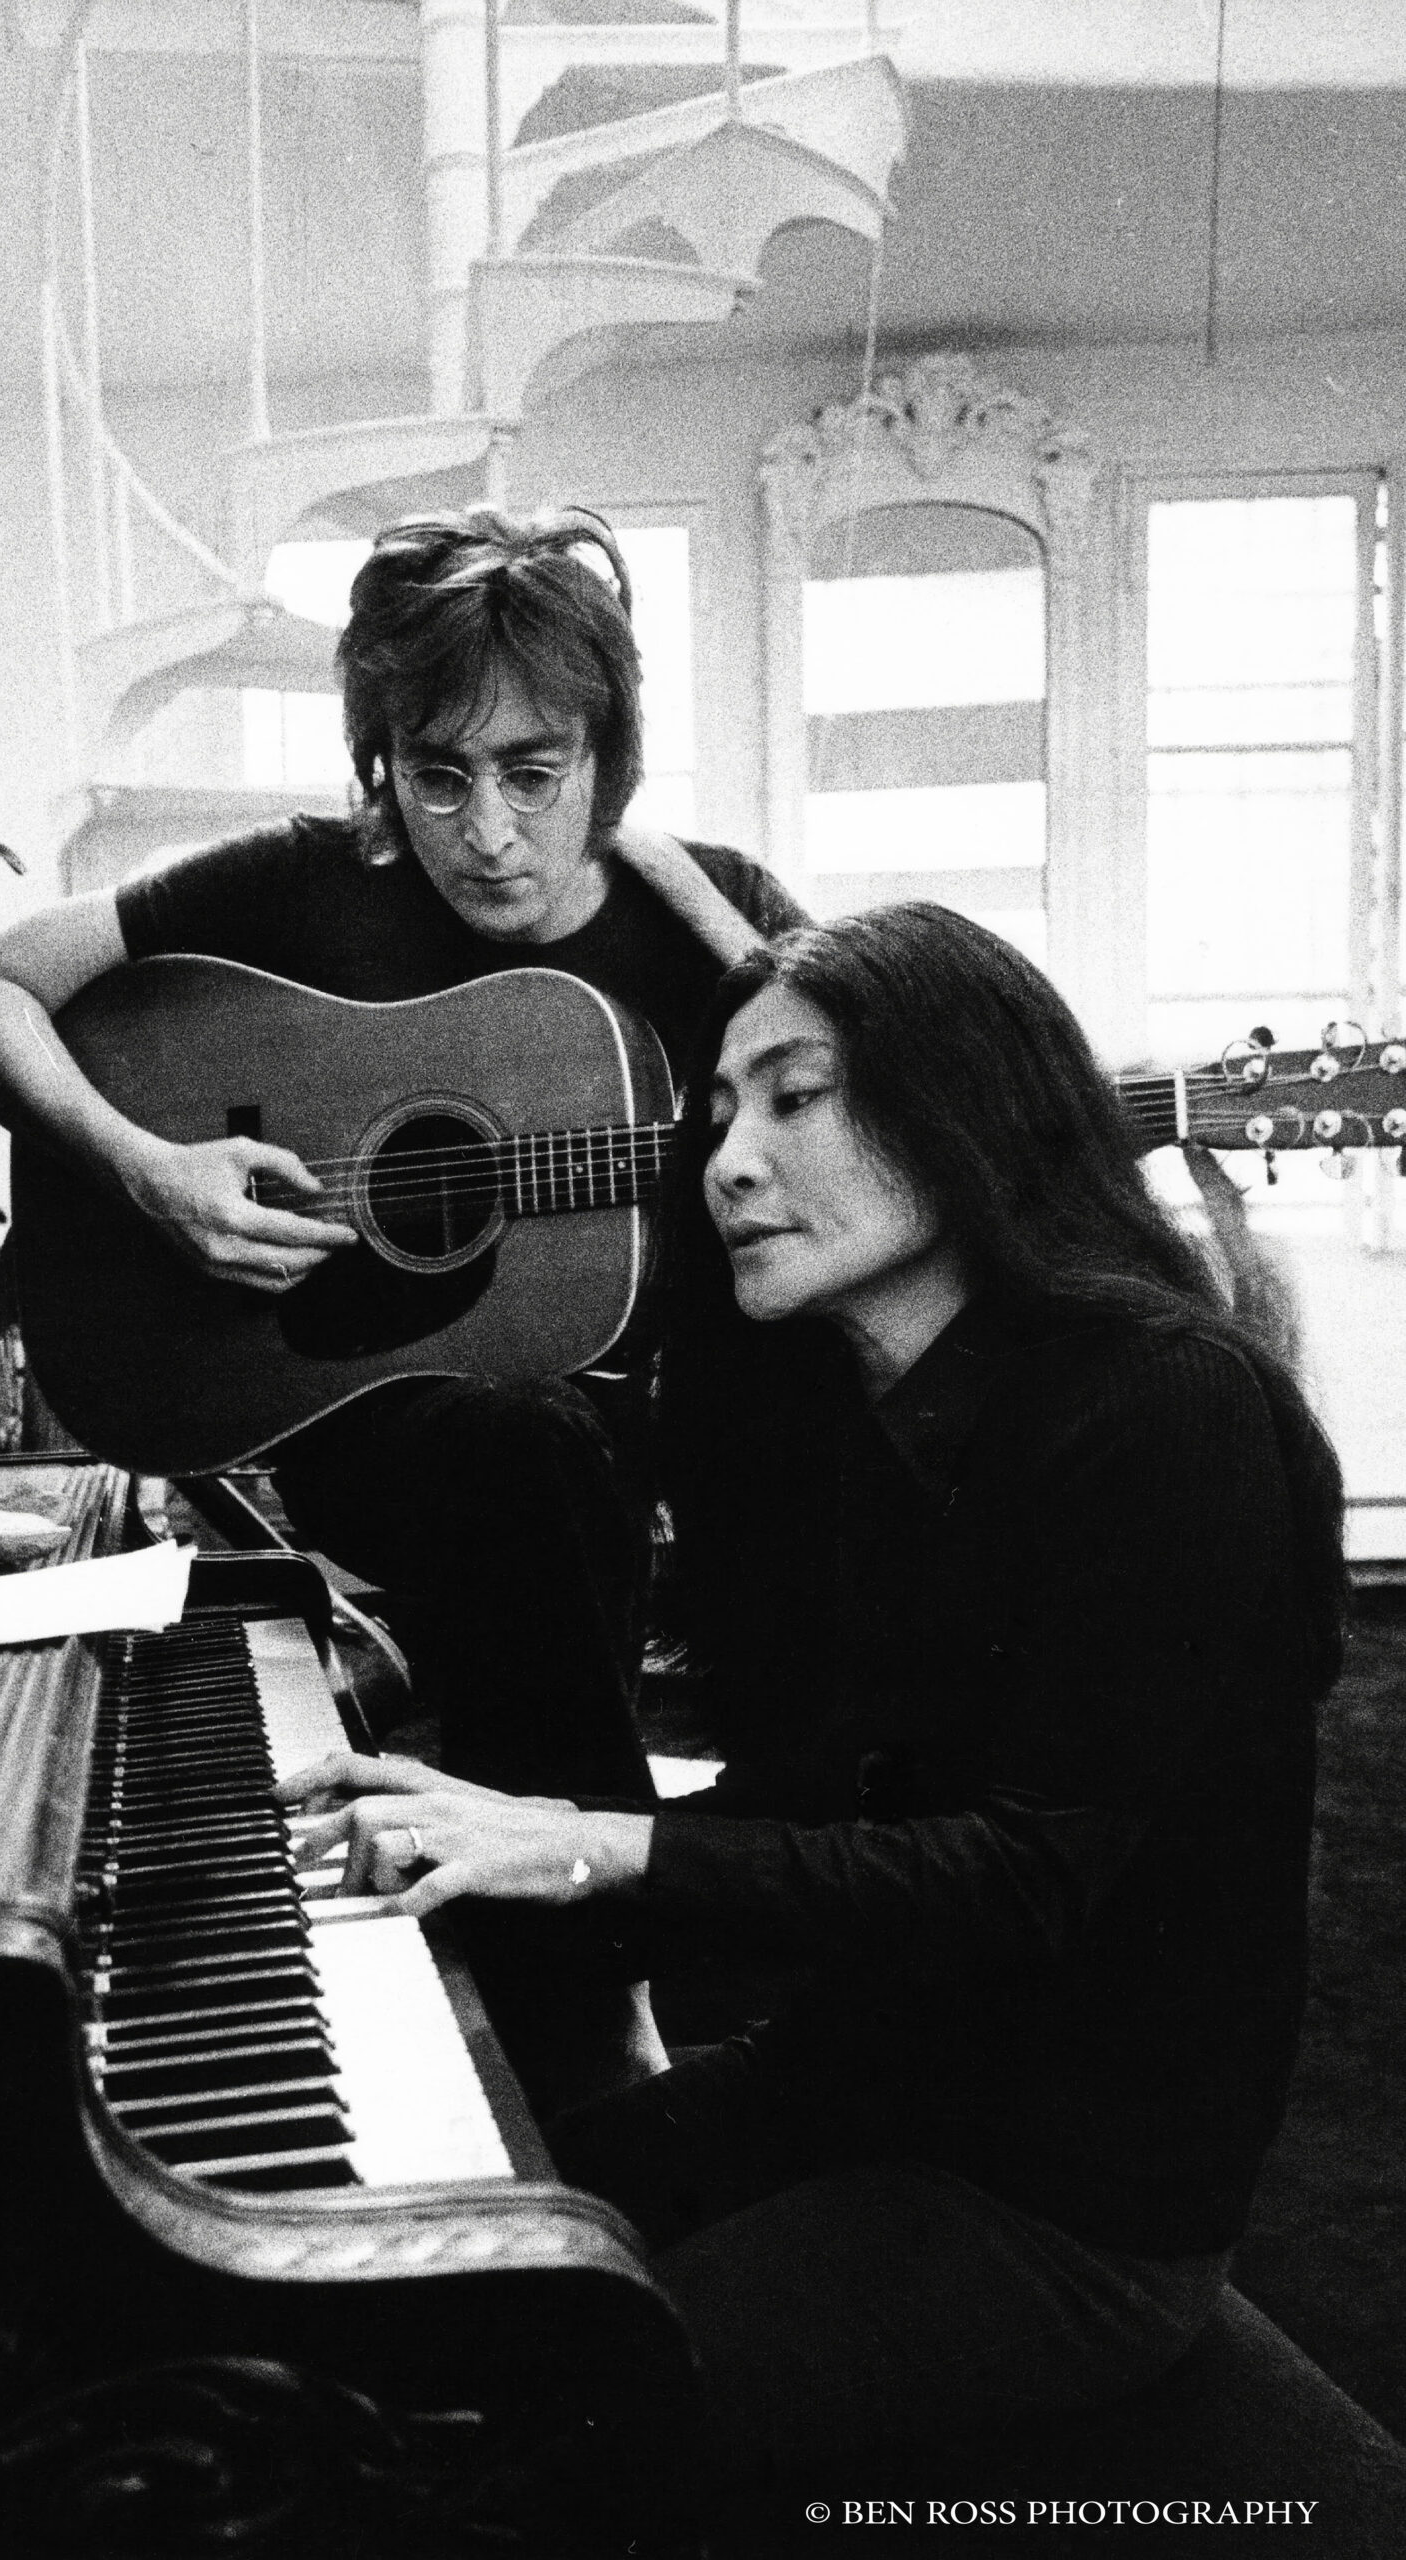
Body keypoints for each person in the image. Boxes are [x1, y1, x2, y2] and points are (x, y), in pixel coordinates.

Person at [282, 901, 1344, 2476]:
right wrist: (476, 1846)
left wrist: (581, 1844)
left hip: (1073, 2206)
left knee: (515, 2422)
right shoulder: (852, 1410)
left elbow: (1025, 1877)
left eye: (797, 1095)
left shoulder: (1167, 1408)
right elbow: (815, 1799)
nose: (724, 1162)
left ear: (968, 1101)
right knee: (442, 2262)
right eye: (718, 1114)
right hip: (870, 2089)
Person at [0, 505, 803, 1864]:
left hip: (680, 1428)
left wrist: (734, 942)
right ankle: (586, 1925)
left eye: (533, 773)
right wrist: (152, 1172)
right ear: (383, 767)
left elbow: (896, 1082)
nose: (487, 831)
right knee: (526, 1447)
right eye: (436, 776)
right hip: (383, 1421)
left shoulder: (708, 905)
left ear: (609, 762)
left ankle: (727, 1889)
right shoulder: (303, 884)